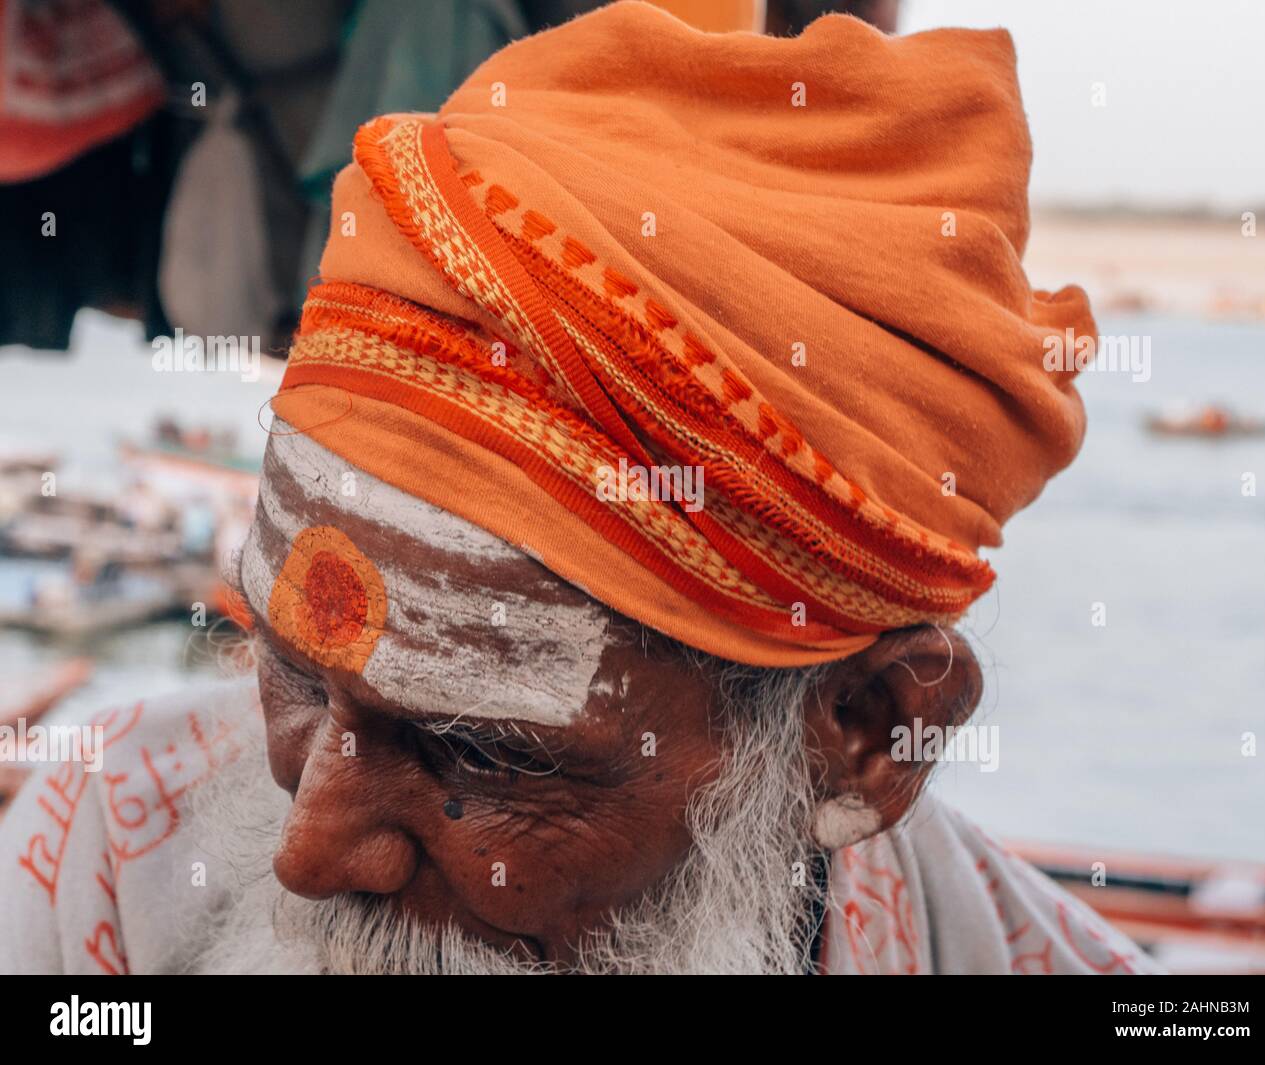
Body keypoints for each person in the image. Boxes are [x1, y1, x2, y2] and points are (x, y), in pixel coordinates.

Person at [0, 2, 1160, 975]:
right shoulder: (102, 866)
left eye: (485, 754)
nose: (308, 853)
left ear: (864, 736)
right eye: (293, 675)